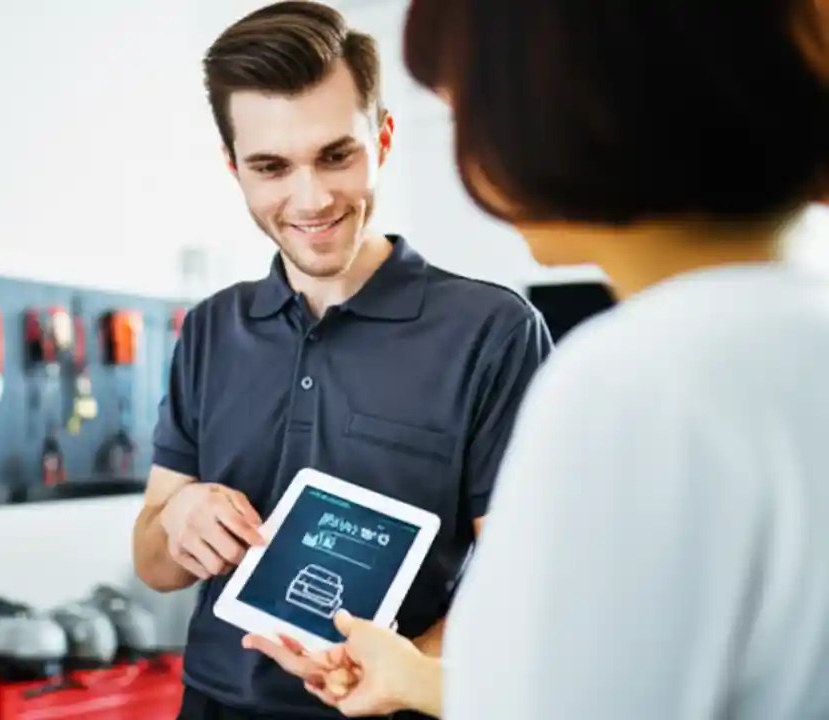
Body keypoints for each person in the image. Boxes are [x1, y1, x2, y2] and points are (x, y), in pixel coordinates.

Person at [250, 0, 829, 717]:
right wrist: (414, 676)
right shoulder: (795, 334)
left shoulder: (628, 380)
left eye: (463, 107)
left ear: (549, 108)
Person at [130, 2, 553, 718]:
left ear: (382, 140)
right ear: (235, 169)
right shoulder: (208, 329)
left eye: (336, 155)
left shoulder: (492, 332)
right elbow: (153, 562)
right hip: (209, 705)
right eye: (271, 166)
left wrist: (408, 666)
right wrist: (180, 516)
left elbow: (524, 582)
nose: (312, 197)